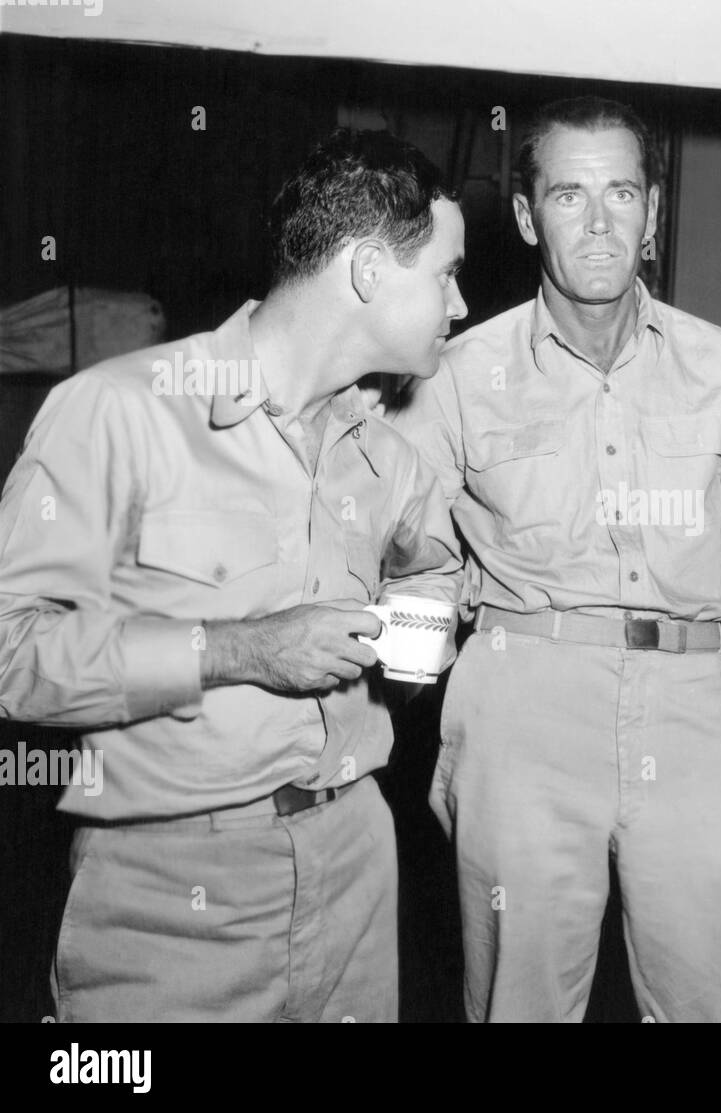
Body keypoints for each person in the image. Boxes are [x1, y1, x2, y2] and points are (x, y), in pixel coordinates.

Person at [0, 128, 467, 1022]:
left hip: (358, 867)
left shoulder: (385, 449)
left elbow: (438, 571)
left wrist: (420, 629)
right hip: (172, 893)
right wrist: (236, 650)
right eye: (445, 273)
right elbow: (11, 650)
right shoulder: (119, 414)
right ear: (370, 272)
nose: (460, 300)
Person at [391, 96, 721, 1022]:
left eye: (623, 191)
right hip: (522, 712)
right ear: (530, 216)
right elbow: (409, 560)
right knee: (520, 1002)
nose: (602, 220)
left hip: (699, 713)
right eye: (570, 196)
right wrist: (428, 699)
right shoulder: (455, 373)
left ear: (653, 212)